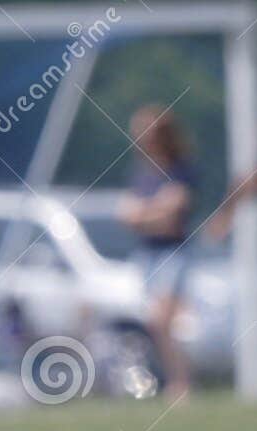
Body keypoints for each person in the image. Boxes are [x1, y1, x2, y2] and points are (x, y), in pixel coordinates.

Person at [117, 106, 197, 400]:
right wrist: (153, 213)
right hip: (147, 254)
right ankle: (174, 382)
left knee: (164, 321)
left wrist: (145, 215)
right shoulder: (142, 172)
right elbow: (127, 214)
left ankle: (181, 384)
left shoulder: (181, 168)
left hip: (173, 253)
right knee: (157, 322)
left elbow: (172, 214)